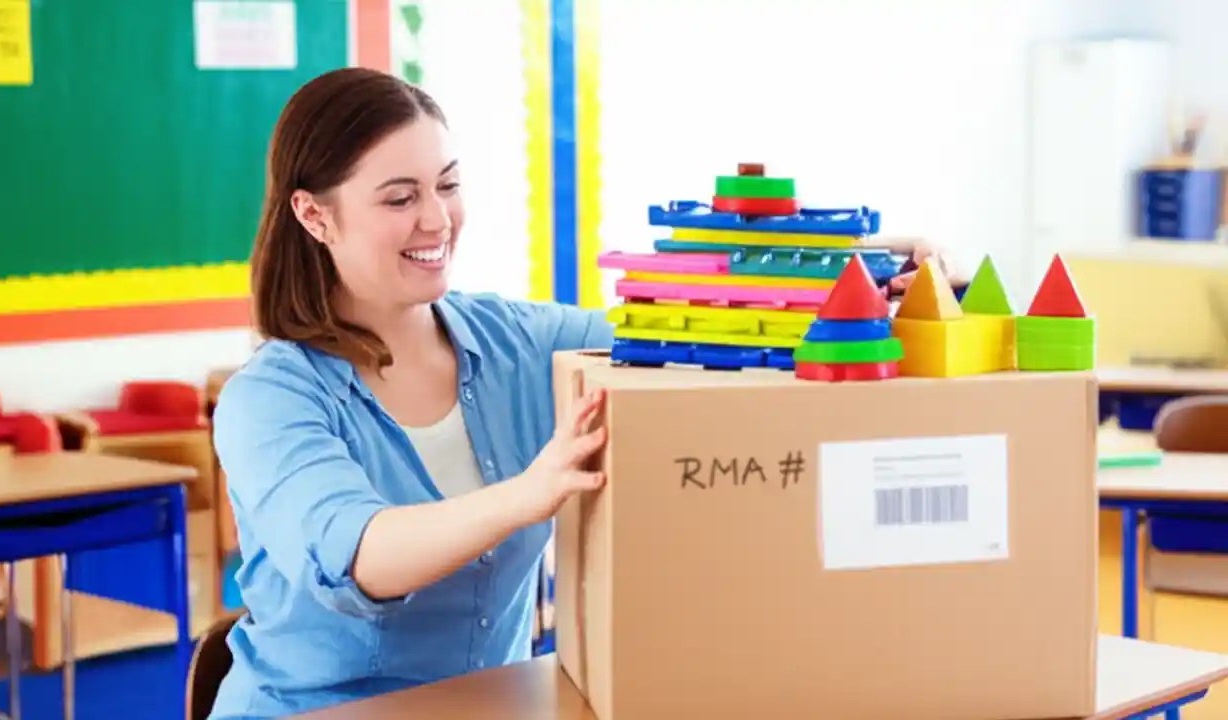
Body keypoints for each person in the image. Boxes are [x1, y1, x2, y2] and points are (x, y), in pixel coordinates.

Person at [210, 67, 951, 719]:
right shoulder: (269, 401)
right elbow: (360, 553)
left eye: (448, 185)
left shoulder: (514, 343)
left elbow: (696, 326)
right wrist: (530, 492)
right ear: (315, 215)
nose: (436, 219)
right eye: (399, 197)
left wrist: (860, 281)